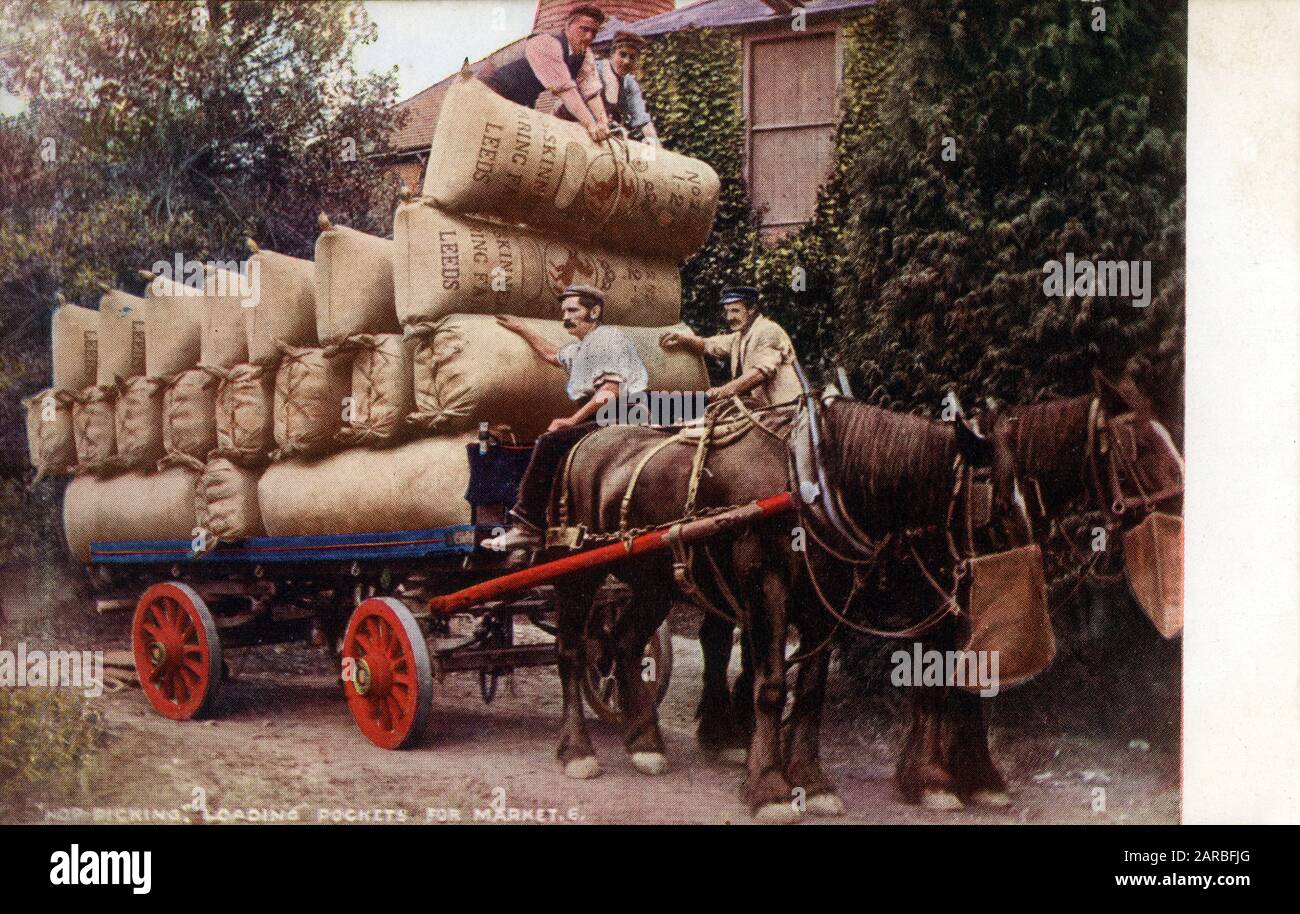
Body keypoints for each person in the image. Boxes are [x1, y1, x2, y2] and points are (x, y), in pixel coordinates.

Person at [481, 285, 649, 553]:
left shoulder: (607, 339)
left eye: (573, 310)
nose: (566, 317)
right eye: (563, 312)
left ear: (594, 311)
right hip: (602, 411)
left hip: (623, 411)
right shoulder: (582, 348)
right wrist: (522, 329)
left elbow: (610, 392)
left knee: (550, 443)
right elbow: (551, 354)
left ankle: (528, 525)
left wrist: (572, 421)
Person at [482, 4, 612, 144]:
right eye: (584, 29)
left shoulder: (585, 55)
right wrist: (591, 125)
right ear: (569, 25)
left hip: (519, 102)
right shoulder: (546, 43)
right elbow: (566, 90)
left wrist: (603, 122)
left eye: (594, 33)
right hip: (491, 91)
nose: (589, 37)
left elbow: (590, 90)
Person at [659, 286, 802, 406]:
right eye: (727, 311)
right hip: (766, 415)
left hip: (788, 412)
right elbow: (709, 345)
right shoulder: (740, 337)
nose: (729, 317)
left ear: (752, 309)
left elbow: (760, 373)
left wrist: (720, 392)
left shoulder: (768, 330)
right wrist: (683, 339)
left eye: (735, 311)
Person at [594, 31, 659, 145]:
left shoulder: (629, 83)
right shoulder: (595, 70)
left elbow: (641, 119)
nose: (626, 61)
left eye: (632, 57)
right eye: (622, 54)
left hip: (602, 133)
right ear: (612, 54)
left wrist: (656, 149)